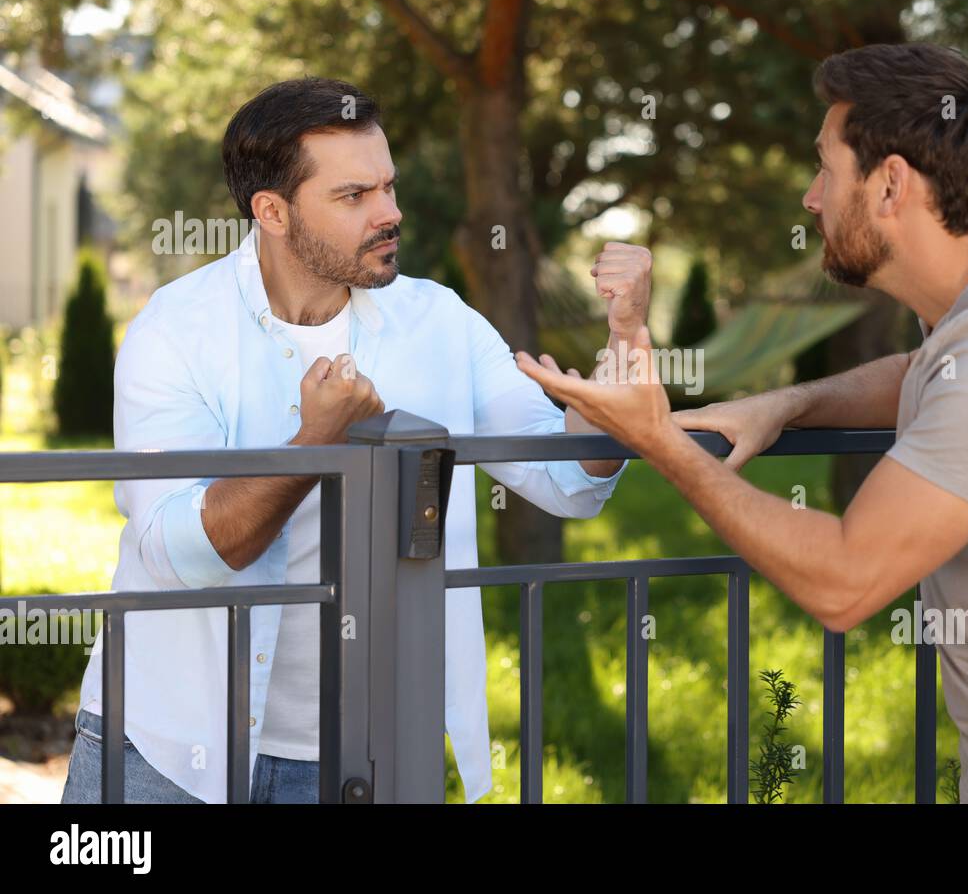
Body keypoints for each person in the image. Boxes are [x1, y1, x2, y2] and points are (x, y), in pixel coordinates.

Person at [516, 43, 968, 803]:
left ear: (891, 183)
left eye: (825, 168)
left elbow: (845, 580)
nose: (810, 197)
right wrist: (785, 403)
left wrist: (659, 440)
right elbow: (929, 376)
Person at [63, 77, 646, 803]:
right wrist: (317, 442)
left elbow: (571, 480)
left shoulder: (442, 322)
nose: (390, 213)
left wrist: (624, 340)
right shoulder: (175, 330)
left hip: (362, 758)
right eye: (353, 196)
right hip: (168, 746)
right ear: (271, 211)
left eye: (388, 187)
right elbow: (183, 551)